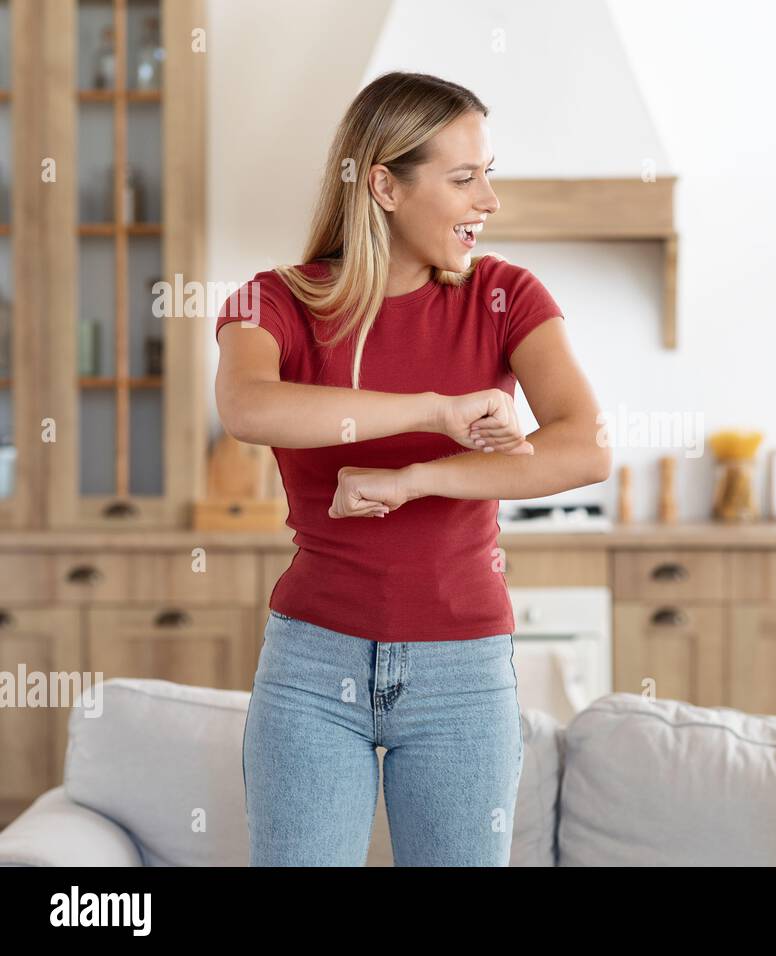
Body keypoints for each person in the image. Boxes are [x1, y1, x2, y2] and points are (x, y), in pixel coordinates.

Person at [213, 71, 610, 865]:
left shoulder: (504, 296)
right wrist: (436, 410)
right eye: (465, 178)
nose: (489, 200)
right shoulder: (277, 302)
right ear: (385, 185)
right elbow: (249, 407)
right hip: (313, 660)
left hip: (463, 666)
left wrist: (419, 478)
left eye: (488, 174)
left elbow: (585, 446)